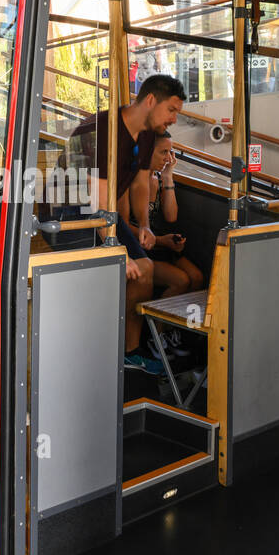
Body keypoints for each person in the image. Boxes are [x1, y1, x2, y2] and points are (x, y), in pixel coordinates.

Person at [66, 74, 185, 374]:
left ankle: (129, 353)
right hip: (71, 216)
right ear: (149, 101)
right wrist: (117, 251)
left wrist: (144, 225)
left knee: (145, 269)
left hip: (104, 214)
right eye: (171, 110)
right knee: (128, 269)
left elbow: (141, 183)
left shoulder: (145, 136)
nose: (173, 119)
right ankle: (98, 350)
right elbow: (97, 197)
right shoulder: (103, 129)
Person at [144, 131, 205, 298]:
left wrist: (168, 177)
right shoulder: (133, 180)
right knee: (181, 281)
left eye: (171, 152)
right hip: (138, 247)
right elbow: (124, 225)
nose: (168, 158)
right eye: (163, 152)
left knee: (197, 277)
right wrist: (160, 240)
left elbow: (171, 217)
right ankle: (159, 325)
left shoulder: (158, 177)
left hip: (159, 244)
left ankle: (173, 324)